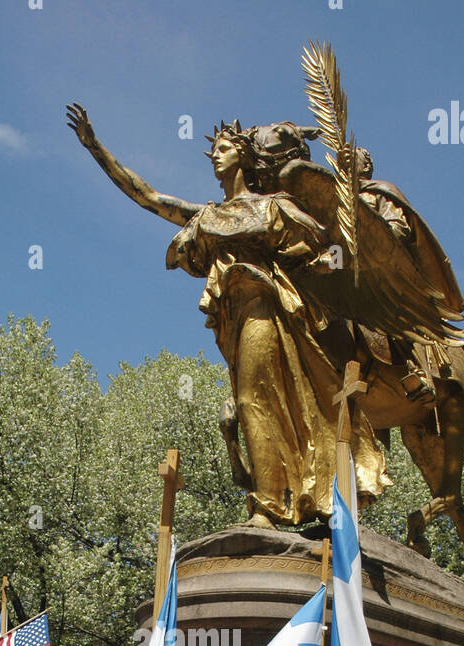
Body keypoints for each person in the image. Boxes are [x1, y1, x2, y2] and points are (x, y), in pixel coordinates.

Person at [67, 106, 390, 525]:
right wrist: (95, 147)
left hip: (264, 308)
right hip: (231, 324)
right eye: (213, 151)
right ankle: (287, 495)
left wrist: (329, 266)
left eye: (223, 148)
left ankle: (269, 506)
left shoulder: (273, 207)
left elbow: (330, 251)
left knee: (251, 402)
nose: (215, 156)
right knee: (261, 404)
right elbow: (149, 198)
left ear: (244, 156)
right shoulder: (208, 216)